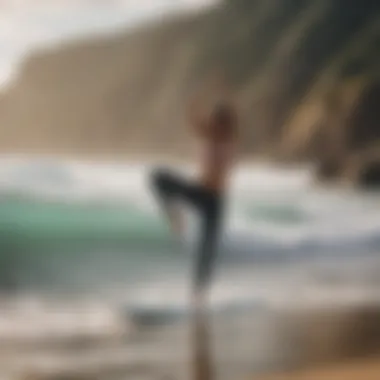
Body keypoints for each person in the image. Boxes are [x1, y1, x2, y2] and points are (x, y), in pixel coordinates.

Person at [149, 73, 238, 301]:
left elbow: (233, 113)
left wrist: (225, 89)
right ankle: (174, 214)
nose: (218, 128)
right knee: (158, 177)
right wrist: (204, 90)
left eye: (222, 124)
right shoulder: (207, 136)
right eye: (216, 123)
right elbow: (192, 113)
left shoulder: (230, 139)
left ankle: (198, 297)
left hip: (215, 201)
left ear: (226, 126)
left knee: (206, 253)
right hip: (199, 191)